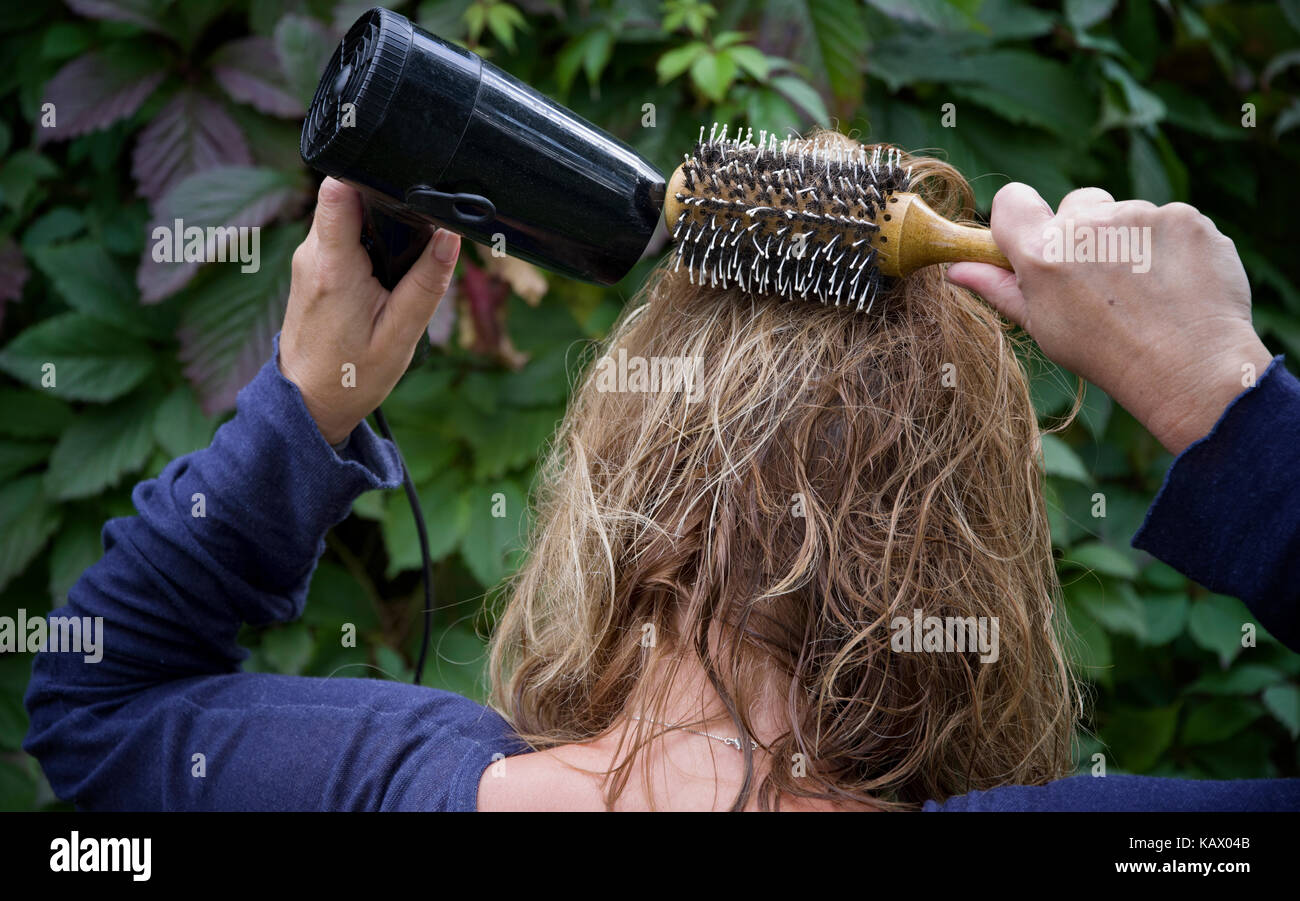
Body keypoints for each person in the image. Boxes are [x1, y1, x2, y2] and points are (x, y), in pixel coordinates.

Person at [23, 140, 1300, 810]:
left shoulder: (385, 782)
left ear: (626, 471)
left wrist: (302, 412)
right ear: (969, 537)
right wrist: (1222, 400)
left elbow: (91, 703)